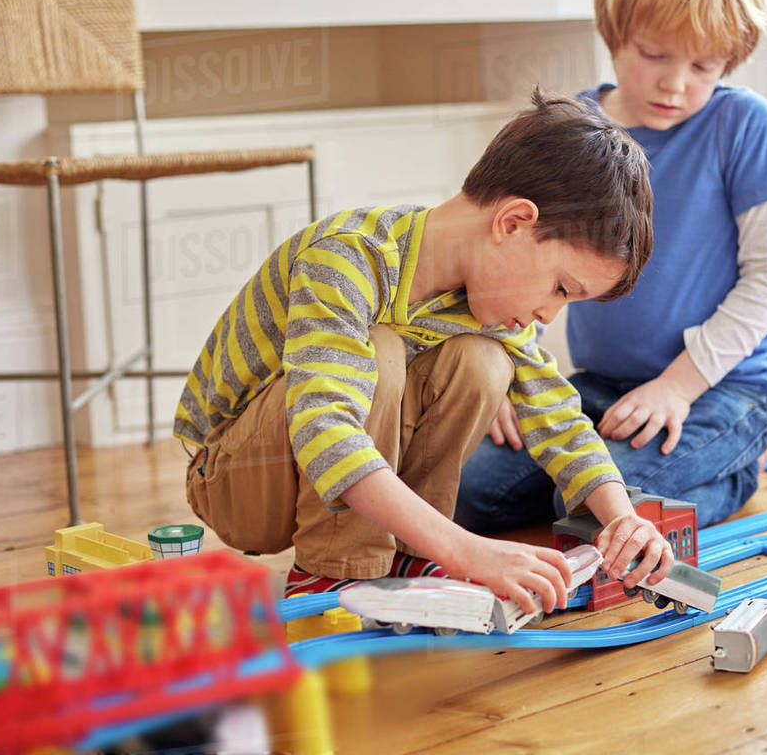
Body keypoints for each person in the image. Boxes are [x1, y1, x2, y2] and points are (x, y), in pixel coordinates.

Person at [174, 90, 674, 615]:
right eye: (561, 288)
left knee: (484, 362)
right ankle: (331, 572)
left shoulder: (491, 305)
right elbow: (326, 431)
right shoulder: (349, 258)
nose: (550, 314)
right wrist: (463, 548)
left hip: (314, 473)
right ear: (513, 223)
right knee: (379, 348)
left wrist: (622, 516)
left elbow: (559, 419)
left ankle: (407, 557)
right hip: (235, 481)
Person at [456, 0, 767, 534]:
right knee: (469, 496)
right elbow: (525, 260)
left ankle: (735, 466)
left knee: (598, 505)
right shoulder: (573, 130)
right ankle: (696, 469)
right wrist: (505, 378)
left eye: (703, 64)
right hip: (598, 386)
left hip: (720, 388)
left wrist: (677, 387)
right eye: (653, 54)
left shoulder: (742, 123)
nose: (675, 82)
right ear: (615, 33)